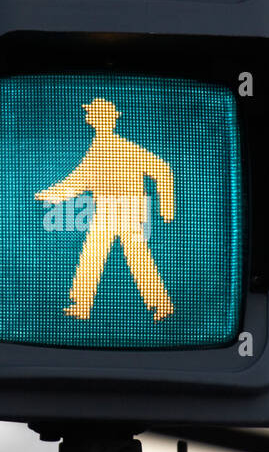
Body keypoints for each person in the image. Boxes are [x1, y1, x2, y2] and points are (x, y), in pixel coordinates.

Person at [35, 97, 175, 321]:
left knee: (129, 258)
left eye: (91, 112)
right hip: (108, 211)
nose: (87, 116)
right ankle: (82, 306)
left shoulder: (122, 147)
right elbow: (80, 180)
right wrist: (52, 195)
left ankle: (161, 305)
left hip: (127, 210)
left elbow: (162, 169)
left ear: (102, 118)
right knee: (96, 256)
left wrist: (167, 206)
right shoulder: (97, 148)